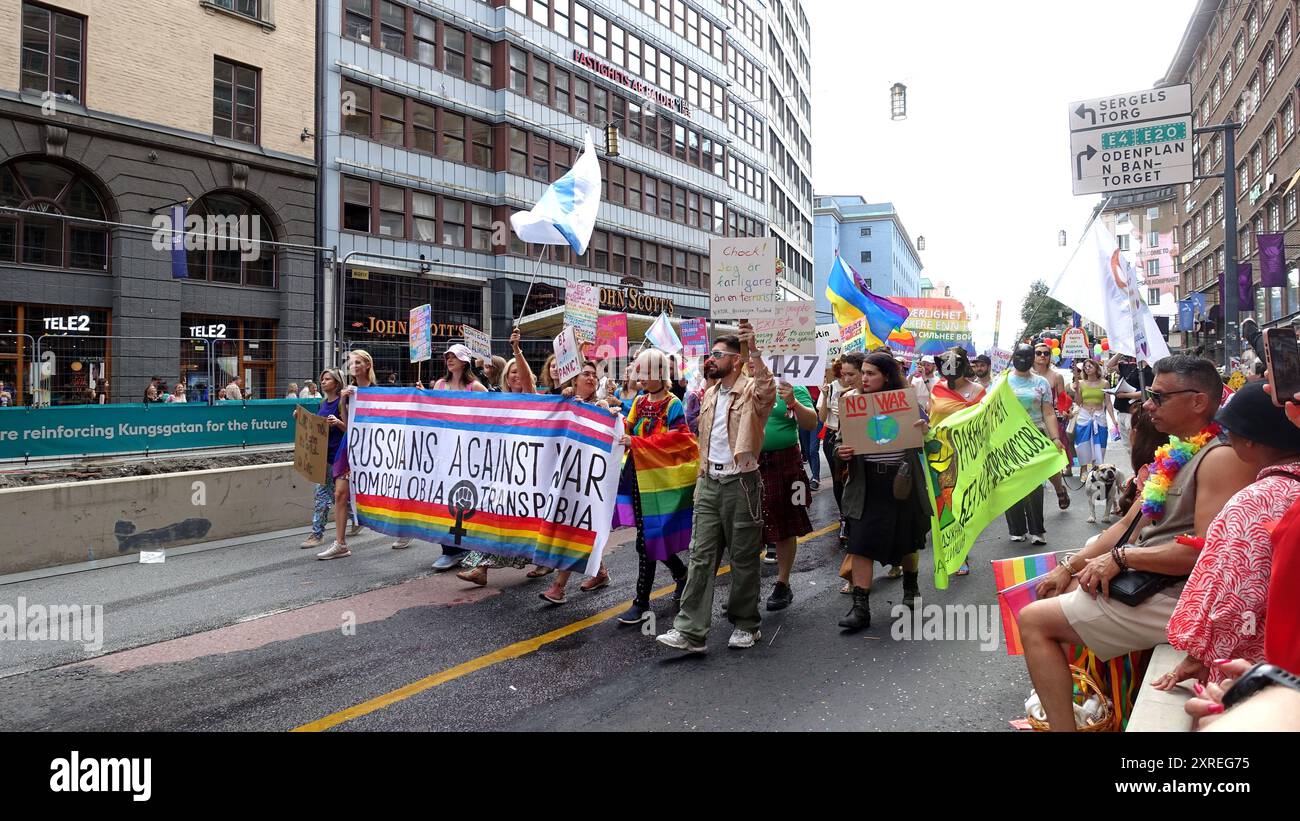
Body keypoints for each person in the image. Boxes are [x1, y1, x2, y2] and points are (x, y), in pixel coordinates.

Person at [1018, 355, 1256, 731]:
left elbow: (1206, 553)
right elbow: (1124, 527)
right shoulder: (1177, 451)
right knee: (1055, 590)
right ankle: (1088, 703)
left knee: (1034, 621)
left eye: (1159, 397)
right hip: (1150, 583)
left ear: (1198, 401)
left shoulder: (1220, 457)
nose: (1147, 405)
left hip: (1179, 596)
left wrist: (1122, 559)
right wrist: (1069, 566)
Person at [1146, 382, 1300, 690]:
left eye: (1230, 432)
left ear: (1250, 440)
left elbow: (1237, 595)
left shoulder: (1256, 500)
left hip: (1260, 666)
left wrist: (1200, 656)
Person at [657, 322, 775, 653]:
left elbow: (767, 389)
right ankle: (690, 630)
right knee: (700, 555)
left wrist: (754, 350)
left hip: (742, 483)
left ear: (736, 360)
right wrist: (700, 482)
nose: (711, 358)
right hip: (709, 481)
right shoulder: (709, 394)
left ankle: (746, 623)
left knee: (743, 557)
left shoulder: (751, 390)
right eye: (711, 353)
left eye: (719, 354)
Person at [833, 352, 930, 630]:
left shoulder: (907, 402)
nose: (864, 378)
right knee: (860, 543)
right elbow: (839, 442)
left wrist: (925, 430)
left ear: (886, 376)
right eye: (862, 372)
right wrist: (841, 451)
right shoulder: (852, 403)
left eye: (870, 373)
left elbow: (930, 439)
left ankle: (911, 588)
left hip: (902, 482)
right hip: (867, 486)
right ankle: (860, 608)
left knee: (908, 540)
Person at [604, 349, 694, 624]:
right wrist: (613, 417)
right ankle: (680, 574)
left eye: (644, 372)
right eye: (638, 372)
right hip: (637, 474)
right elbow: (627, 430)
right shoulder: (640, 401)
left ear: (659, 373)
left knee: (647, 538)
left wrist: (638, 442)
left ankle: (642, 602)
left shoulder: (673, 404)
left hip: (660, 480)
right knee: (648, 536)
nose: (639, 377)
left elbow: (680, 440)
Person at [459, 330, 547, 583]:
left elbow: (527, 382)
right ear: (506, 378)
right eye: (511, 373)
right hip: (503, 469)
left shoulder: (532, 398)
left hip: (531, 469)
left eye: (519, 372)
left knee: (531, 518)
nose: (516, 376)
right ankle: (481, 568)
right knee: (494, 513)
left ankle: (543, 560)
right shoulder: (499, 400)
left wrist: (517, 350)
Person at [390, 344, 487, 553]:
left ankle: (465, 543)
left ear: (465, 361)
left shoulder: (476, 388)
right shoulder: (440, 385)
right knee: (443, 495)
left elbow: (491, 411)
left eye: (454, 356)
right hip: (444, 449)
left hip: (467, 451)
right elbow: (432, 412)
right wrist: (423, 396)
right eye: (447, 356)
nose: (449, 360)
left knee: (464, 494)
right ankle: (449, 548)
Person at [540, 360, 619, 603]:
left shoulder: (601, 405)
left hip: (588, 479)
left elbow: (612, 430)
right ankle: (600, 572)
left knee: (573, 526)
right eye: (585, 374)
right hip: (564, 474)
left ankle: (558, 587)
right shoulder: (565, 402)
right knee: (577, 526)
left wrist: (609, 412)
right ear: (574, 379)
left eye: (594, 375)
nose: (591, 378)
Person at [759, 373, 818, 611]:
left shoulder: (792, 386)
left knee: (786, 523)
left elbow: (811, 423)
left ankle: (783, 583)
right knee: (747, 527)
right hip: (750, 463)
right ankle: (746, 588)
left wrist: (793, 401)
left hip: (785, 463)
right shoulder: (747, 386)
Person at [316, 350, 379, 560]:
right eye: (351, 362)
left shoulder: (376, 391)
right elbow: (348, 424)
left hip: (372, 447)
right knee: (339, 494)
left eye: (358, 362)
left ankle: (403, 530)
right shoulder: (348, 391)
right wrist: (343, 401)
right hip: (350, 445)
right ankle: (340, 543)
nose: (354, 365)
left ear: (368, 365)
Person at [1004, 344, 1064, 547]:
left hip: (1035, 437)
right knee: (1011, 483)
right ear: (1013, 357)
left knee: (1035, 484)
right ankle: (1016, 529)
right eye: (1019, 356)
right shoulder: (1002, 381)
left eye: (1027, 356)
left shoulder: (1041, 382)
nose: (1023, 360)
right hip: (1008, 438)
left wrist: (1055, 438)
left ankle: (1037, 530)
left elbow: (1048, 412)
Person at [301, 368, 347, 550]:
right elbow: (317, 427)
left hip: (339, 457)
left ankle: (317, 534)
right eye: (322, 379)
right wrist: (301, 419)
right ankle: (353, 517)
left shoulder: (342, 403)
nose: (323, 381)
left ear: (337, 383)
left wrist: (338, 422)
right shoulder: (322, 403)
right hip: (323, 456)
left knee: (329, 495)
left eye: (328, 379)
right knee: (329, 495)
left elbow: (351, 428)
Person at [1031, 342, 1072, 508]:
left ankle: (1059, 489)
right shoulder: (1025, 375)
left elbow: (1062, 398)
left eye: (1046, 353)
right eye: (1038, 353)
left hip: (1050, 421)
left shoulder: (1056, 376)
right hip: (1029, 422)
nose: (1042, 356)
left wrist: (1064, 410)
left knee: (1050, 460)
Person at [1069, 358, 1120, 475]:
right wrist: (1076, 391)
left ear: (1096, 368)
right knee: (1083, 444)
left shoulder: (1104, 383)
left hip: (1099, 415)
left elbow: (1108, 402)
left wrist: (1113, 419)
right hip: (1084, 415)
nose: (1087, 369)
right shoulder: (1080, 383)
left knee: (1100, 443)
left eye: (1090, 366)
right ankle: (1083, 470)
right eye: (1085, 367)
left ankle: (1097, 469)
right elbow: (1078, 402)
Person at [1107, 352, 1154, 438]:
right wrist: (1120, 352)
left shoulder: (1149, 371)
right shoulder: (1130, 367)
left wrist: (1125, 395)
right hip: (1121, 411)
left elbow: (1145, 392)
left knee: (1134, 441)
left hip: (1134, 412)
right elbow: (1110, 365)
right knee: (1125, 443)